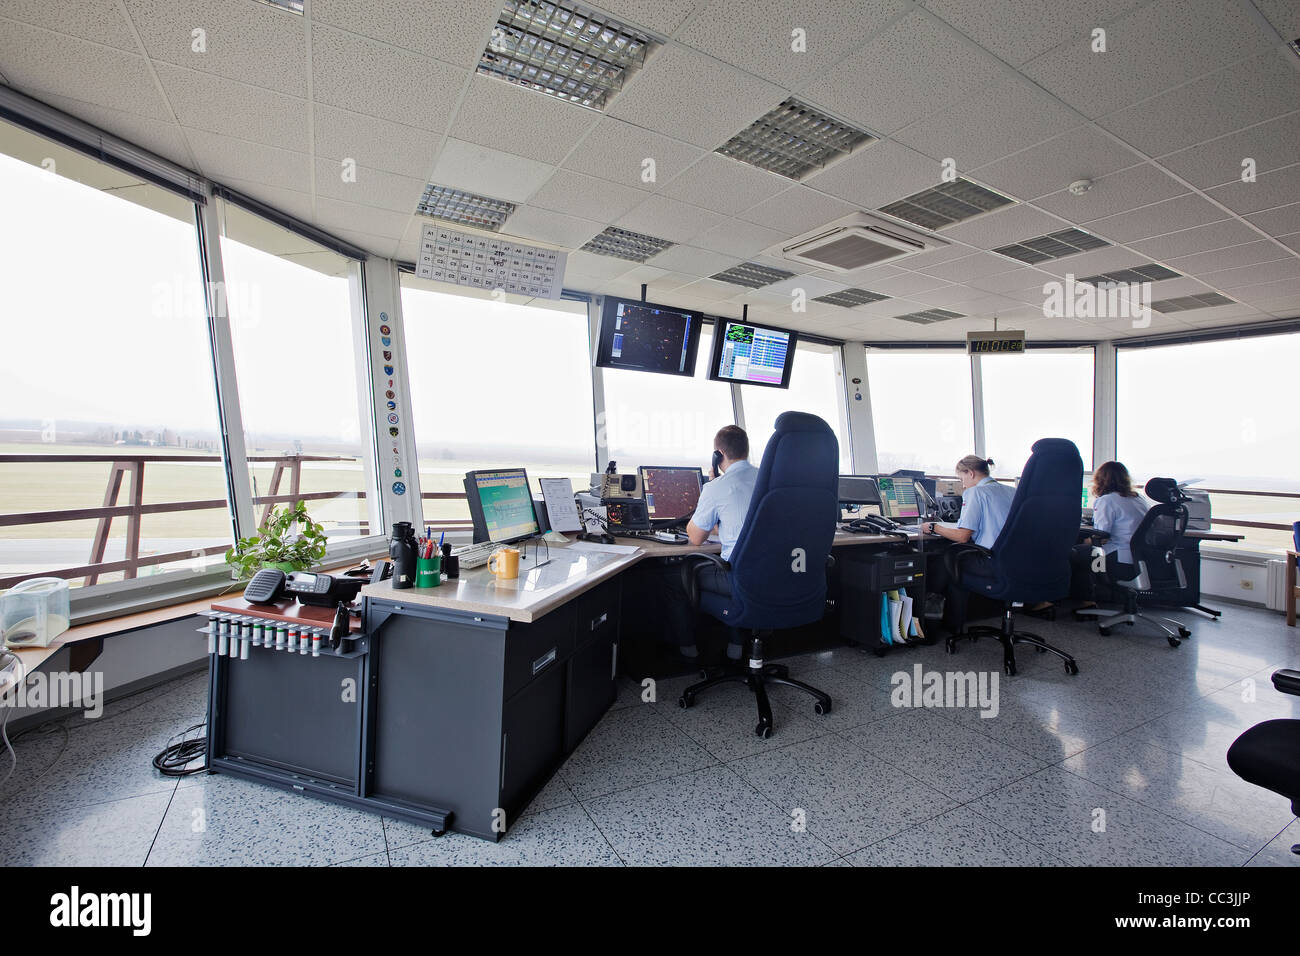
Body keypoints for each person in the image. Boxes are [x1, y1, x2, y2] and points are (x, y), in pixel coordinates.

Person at [668, 425, 758, 661]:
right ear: (746, 450)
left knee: (678, 581)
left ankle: (688, 654)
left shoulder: (716, 487)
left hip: (739, 578)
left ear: (718, 454)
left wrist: (712, 486)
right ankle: (736, 649)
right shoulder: (769, 480)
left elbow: (696, 538)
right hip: (775, 575)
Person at [922, 454, 1016, 633]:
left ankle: (937, 627)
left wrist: (934, 527)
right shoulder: (1011, 491)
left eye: (961, 478)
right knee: (952, 561)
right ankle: (947, 624)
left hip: (991, 561)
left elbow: (962, 536)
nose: (963, 484)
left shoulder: (975, 492)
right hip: (1014, 560)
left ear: (970, 473)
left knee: (947, 562)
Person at [1069, 461, 1149, 606]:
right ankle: (1090, 599)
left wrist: (1082, 542)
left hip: (1117, 561)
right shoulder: (1139, 499)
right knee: (1085, 551)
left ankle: (1088, 602)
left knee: (1075, 553)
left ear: (1100, 480)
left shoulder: (1106, 500)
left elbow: (1101, 537)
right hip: (1140, 561)